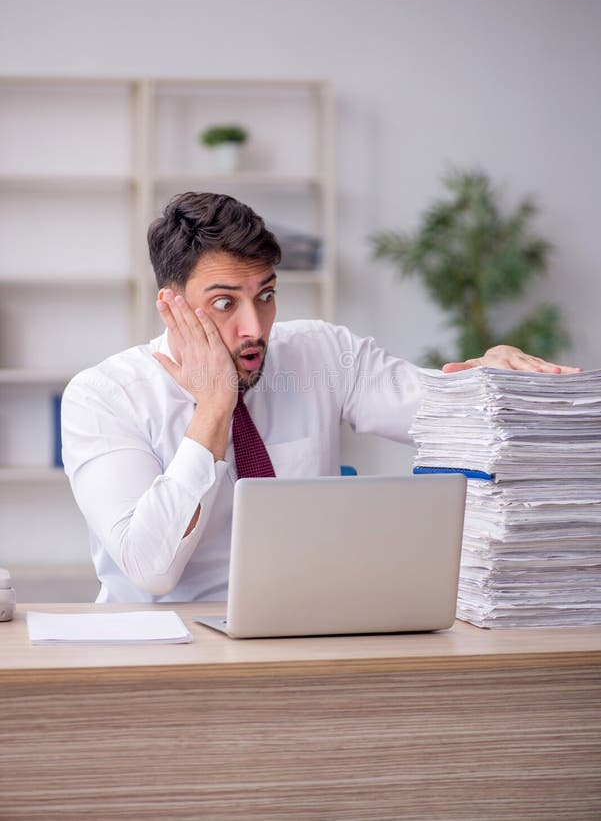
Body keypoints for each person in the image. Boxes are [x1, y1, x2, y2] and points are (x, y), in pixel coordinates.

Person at [61, 192, 582, 603]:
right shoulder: (104, 397)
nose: (254, 327)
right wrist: (215, 408)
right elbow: (150, 570)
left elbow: (455, 419)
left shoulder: (323, 354)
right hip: (163, 650)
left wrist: (490, 379)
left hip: (308, 626)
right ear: (170, 307)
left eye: (266, 296)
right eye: (224, 303)